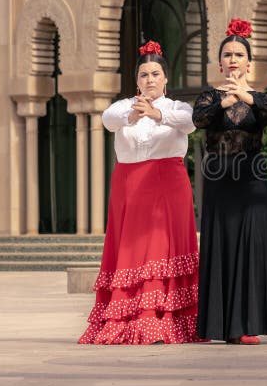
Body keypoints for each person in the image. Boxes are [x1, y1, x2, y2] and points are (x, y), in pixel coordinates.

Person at [79, 41, 201, 345]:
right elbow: (107, 120)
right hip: (130, 186)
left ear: (166, 79)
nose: (150, 79)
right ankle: (129, 318)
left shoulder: (177, 108)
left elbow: (192, 123)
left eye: (155, 73)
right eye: (144, 74)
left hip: (168, 185)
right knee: (131, 249)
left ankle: (164, 320)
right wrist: (133, 115)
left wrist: (158, 114)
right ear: (137, 80)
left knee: (162, 248)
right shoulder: (123, 107)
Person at [194, 18, 267, 345]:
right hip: (219, 179)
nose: (233, 59)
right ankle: (222, 326)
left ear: (249, 62)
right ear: (220, 62)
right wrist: (226, 101)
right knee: (224, 245)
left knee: (251, 246)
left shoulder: (260, 98)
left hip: (252, 179)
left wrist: (245, 95)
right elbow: (199, 119)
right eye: (228, 54)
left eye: (239, 54)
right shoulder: (208, 97)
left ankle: (247, 323)